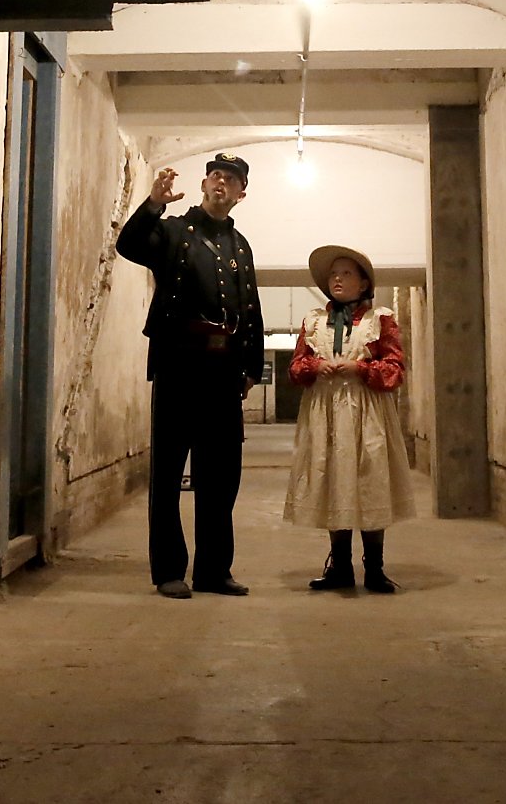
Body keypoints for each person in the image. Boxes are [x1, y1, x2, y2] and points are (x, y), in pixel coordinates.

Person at [115, 153, 265, 598]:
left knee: (221, 478)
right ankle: (169, 571)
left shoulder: (241, 246)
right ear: (204, 183)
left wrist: (252, 366)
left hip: (223, 374)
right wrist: (153, 205)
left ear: (241, 193)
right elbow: (129, 246)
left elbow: (251, 309)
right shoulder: (175, 230)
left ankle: (214, 571)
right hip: (179, 365)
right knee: (167, 475)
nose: (223, 183)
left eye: (232, 179)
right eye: (217, 175)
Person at [284, 244, 417, 592]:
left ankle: (374, 568)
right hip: (325, 412)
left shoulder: (380, 320)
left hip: (367, 412)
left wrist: (359, 368)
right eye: (333, 274)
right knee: (334, 481)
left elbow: (394, 369)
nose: (337, 279)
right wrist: (317, 365)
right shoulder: (314, 321)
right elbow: (295, 368)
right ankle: (339, 566)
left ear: (363, 282)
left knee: (370, 480)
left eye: (345, 273)